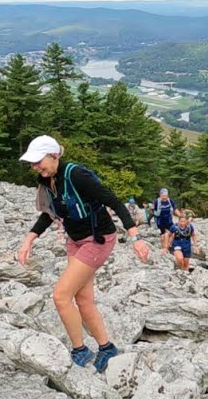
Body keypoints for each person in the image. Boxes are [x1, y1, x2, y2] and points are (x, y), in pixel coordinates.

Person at [15, 135, 151, 373]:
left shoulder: (77, 176)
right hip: (75, 240)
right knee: (83, 299)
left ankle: (80, 351)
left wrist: (135, 238)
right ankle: (106, 348)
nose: (35, 166)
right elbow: (49, 213)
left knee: (60, 296)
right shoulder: (46, 180)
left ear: (54, 155)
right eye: (32, 162)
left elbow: (115, 202)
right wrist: (29, 239)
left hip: (98, 240)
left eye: (39, 161)